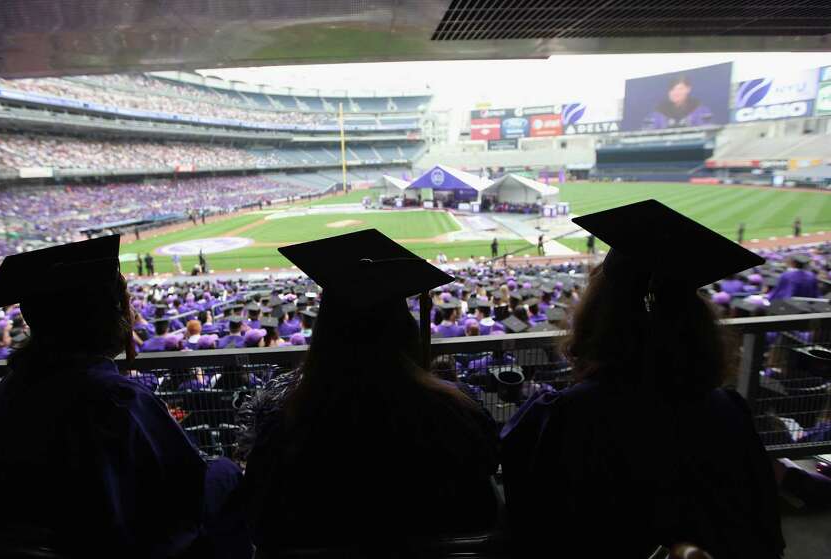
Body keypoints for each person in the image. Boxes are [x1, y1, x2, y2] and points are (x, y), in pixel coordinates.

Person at [501, 200, 783, 558]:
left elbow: (532, 527)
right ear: (694, 320)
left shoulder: (567, 415)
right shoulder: (729, 412)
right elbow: (763, 535)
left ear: (599, 314)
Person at [0, 236, 251, 559]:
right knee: (225, 474)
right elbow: (188, 490)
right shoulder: (114, 399)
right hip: (111, 546)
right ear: (106, 316)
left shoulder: (6, 395)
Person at [241, 229, 498, 552]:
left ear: (325, 334)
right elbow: (484, 493)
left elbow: (261, 523)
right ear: (405, 331)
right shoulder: (458, 411)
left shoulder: (286, 426)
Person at [644, 75, 713, 129]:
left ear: (688, 89)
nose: (676, 93)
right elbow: (646, 134)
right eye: (672, 89)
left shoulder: (701, 111)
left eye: (680, 89)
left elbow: (706, 133)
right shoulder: (658, 113)